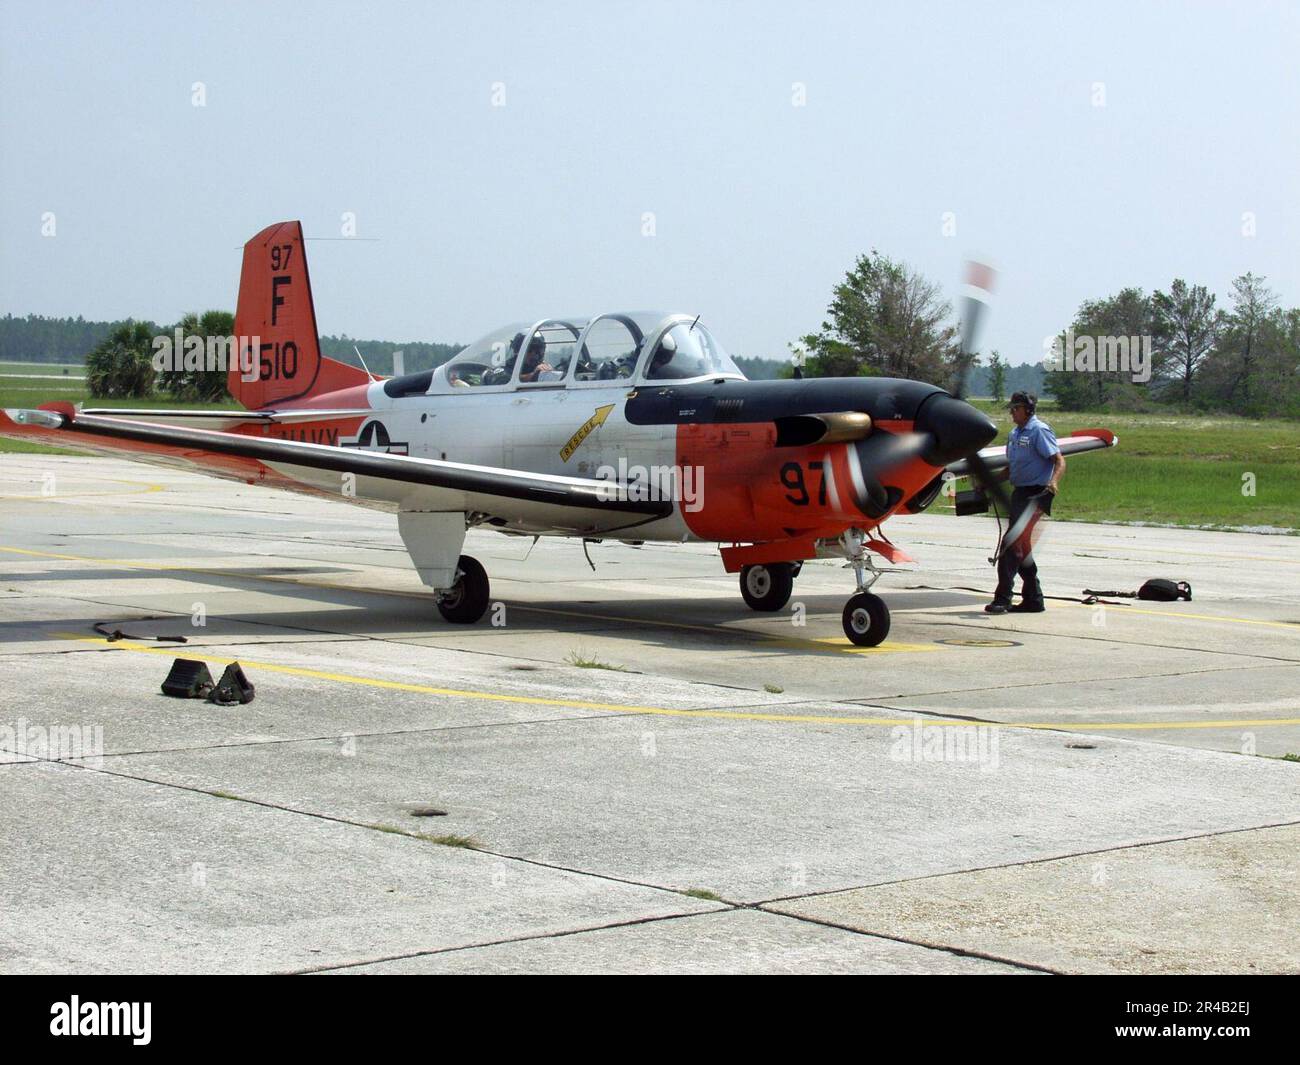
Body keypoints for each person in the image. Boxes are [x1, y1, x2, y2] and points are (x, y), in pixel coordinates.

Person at [985, 391, 1065, 615]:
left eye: (1016, 408)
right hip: (1020, 494)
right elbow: (1011, 468)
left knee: (1011, 544)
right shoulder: (1014, 433)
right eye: (1011, 408)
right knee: (1022, 549)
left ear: (1028, 409)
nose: (1012, 412)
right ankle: (1033, 599)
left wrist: (1053, 483)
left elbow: (1059, 461)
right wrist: (987, 483)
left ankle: (1002, 599)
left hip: (1036, 495)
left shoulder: (1039, 430)